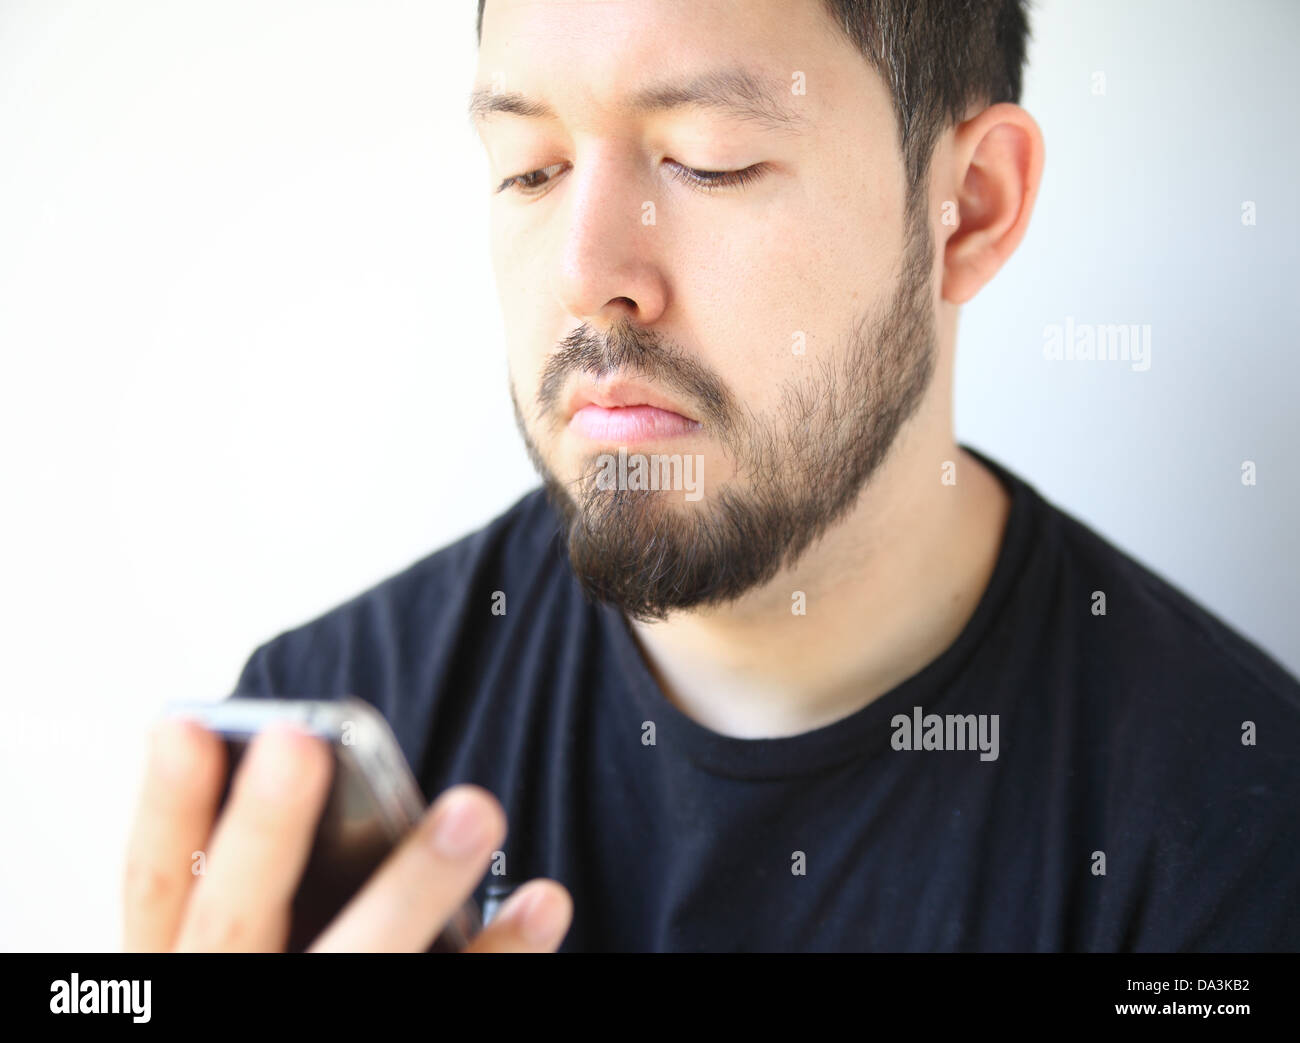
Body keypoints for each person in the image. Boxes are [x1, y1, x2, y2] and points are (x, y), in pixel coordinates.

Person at [123, 0, 1300, 953]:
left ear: (967, 209)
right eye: (530, 170)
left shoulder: (1234, 833)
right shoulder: (330, 741)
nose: (588, 276)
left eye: (707, 161)